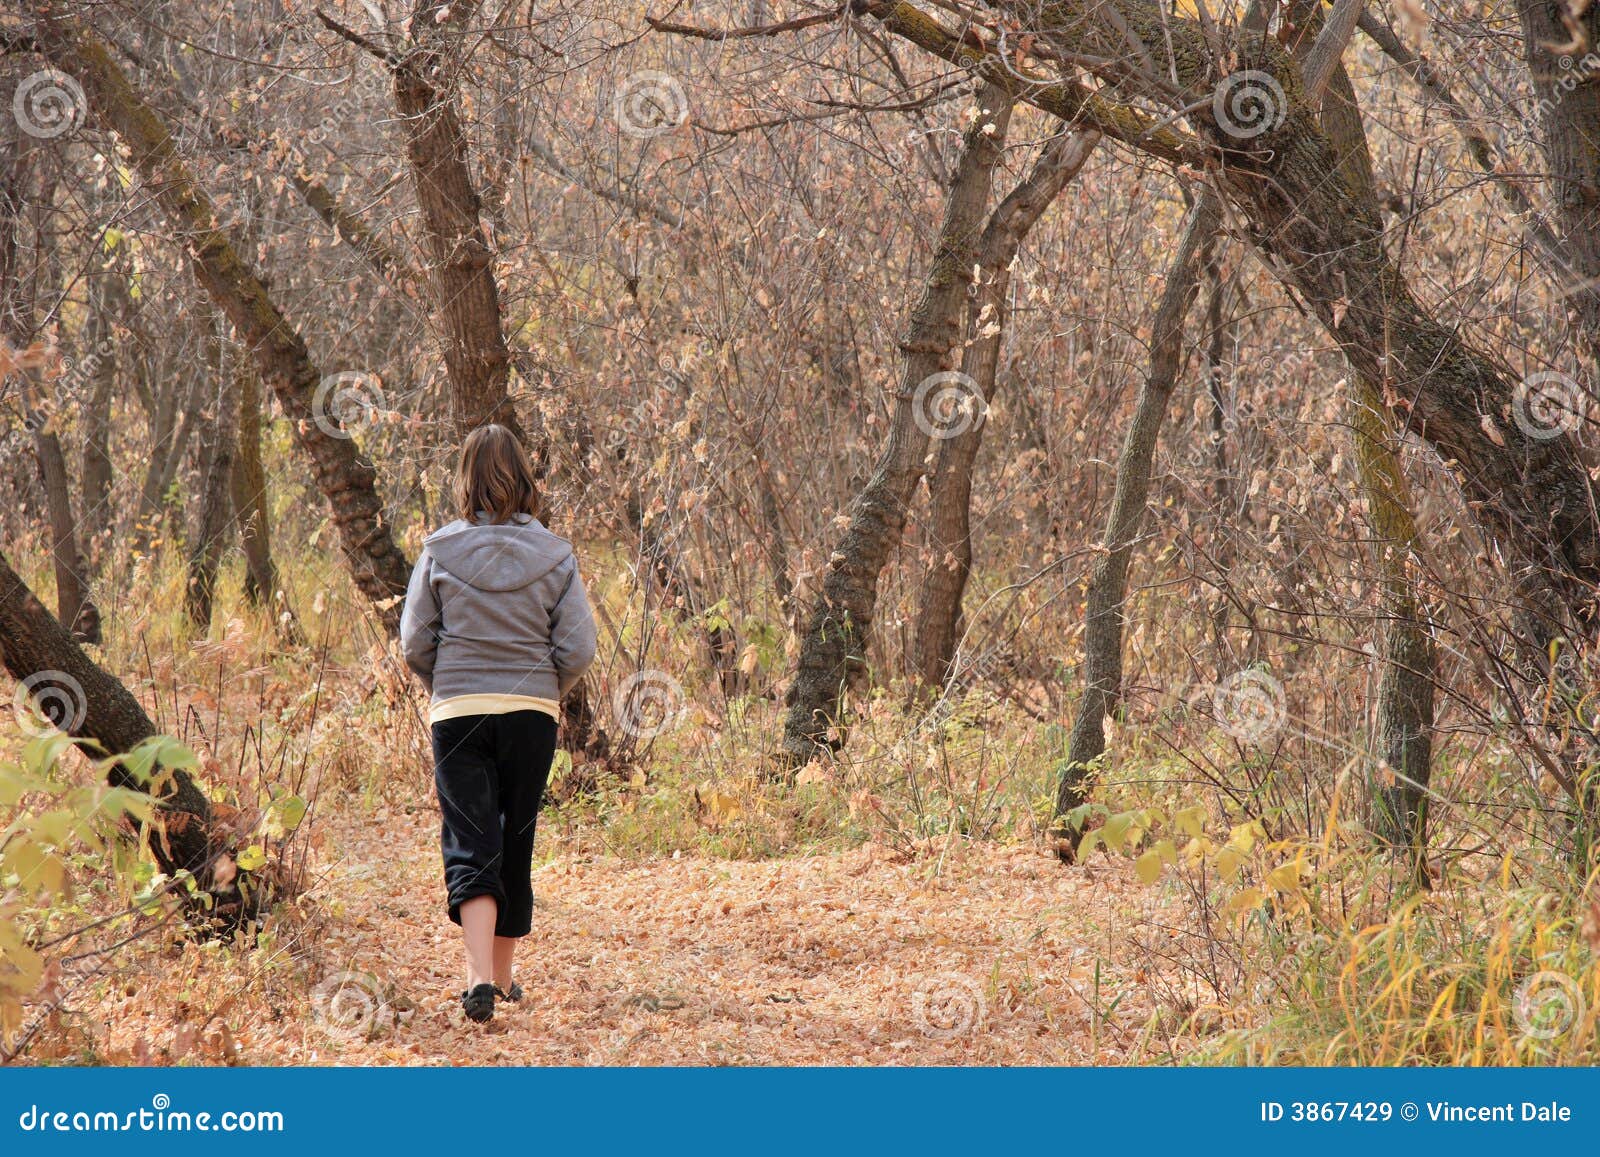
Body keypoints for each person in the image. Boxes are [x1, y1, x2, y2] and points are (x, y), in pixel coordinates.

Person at [400, 423, 597, 1023]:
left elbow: (414, 642)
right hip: (531, 716)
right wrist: (547, 692)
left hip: (458, 711)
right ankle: (503, 978)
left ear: (465, 480)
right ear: (524, 476)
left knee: (470, 839)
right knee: (515, 837)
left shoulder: (438, 551)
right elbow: (580, 648)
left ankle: (480, 978)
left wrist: (446, 685)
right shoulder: (556, 555)